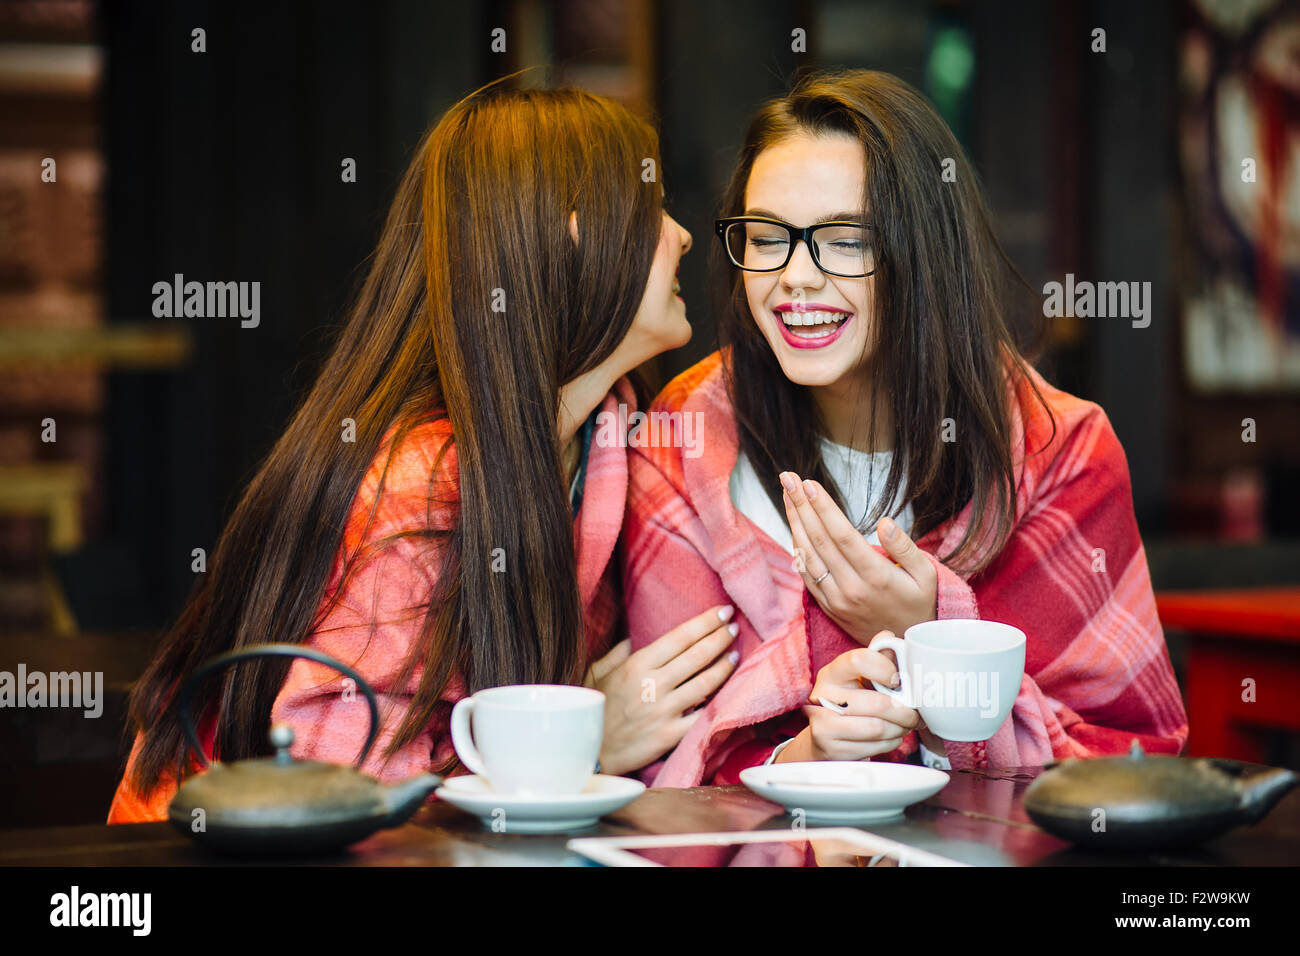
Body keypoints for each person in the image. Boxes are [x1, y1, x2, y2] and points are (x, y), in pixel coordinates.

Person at [108, 81, 739, 822]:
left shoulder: (602, 440)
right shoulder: (422, 481)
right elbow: (350, 806)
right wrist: (585, 746)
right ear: (572, 234)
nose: (684, 235)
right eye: (651, 210)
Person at [621, 69, 1188, 788]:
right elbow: (661, 766)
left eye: (846, 240)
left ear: (924, 253)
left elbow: (1128, 756)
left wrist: (933, 634)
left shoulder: (1060, 451)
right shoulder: (685, 438)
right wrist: (805, 756)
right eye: (767, 238)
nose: (794, 277)